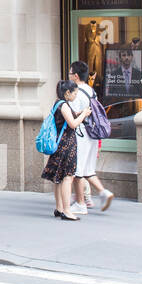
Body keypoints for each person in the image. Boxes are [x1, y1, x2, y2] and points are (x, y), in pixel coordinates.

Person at [68, 60, 115, 214]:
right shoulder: (90, 90)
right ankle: (103, 192)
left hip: (81, 133)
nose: (69, 76)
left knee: (78, 171)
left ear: (75, 75)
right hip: (92, 134)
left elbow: (73, 114)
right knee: (88, 169)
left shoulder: (77, 93)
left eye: (70, 73)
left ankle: (81, 203)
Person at [43, 80, 89, 221]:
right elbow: (73, 124)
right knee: (67, 177)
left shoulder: (58, 103)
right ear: (67, 93)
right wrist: (84, 114)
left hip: (59, 144)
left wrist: (80, 113)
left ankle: (59, 208)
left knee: (58, 178)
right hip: (66, 145)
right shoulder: (64, 106)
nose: (76, 95)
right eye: (75, 93)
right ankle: (67, 210)